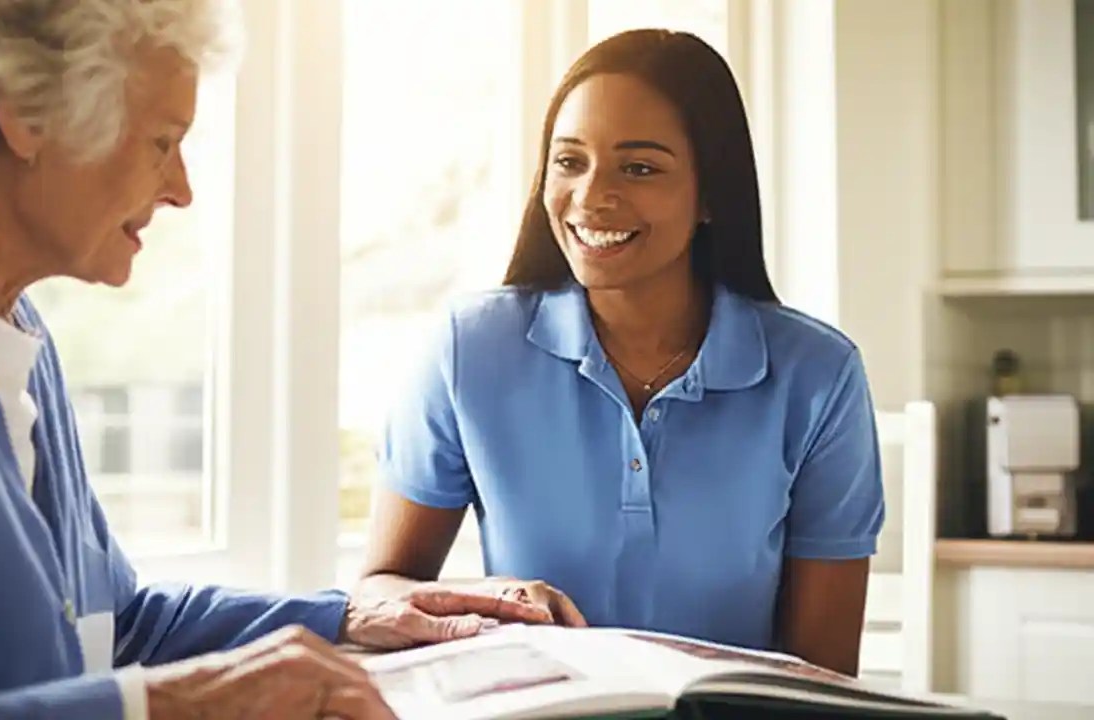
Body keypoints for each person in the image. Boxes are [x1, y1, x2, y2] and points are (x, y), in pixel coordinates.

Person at [0, 1, 552, 718]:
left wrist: (357, 615)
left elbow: (118, 629)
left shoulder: (12, 330)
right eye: (162, 141)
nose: (181, 188)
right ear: (25, 114)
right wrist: (173, 707)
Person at [357, 29, 885, 677]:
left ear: (711, 193)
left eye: (639, 168)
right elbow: (379, 592)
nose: (591, 196)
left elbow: (822, 676)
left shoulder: (819, 376)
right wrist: (484, 602)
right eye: (569, 161)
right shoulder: (469, 349)